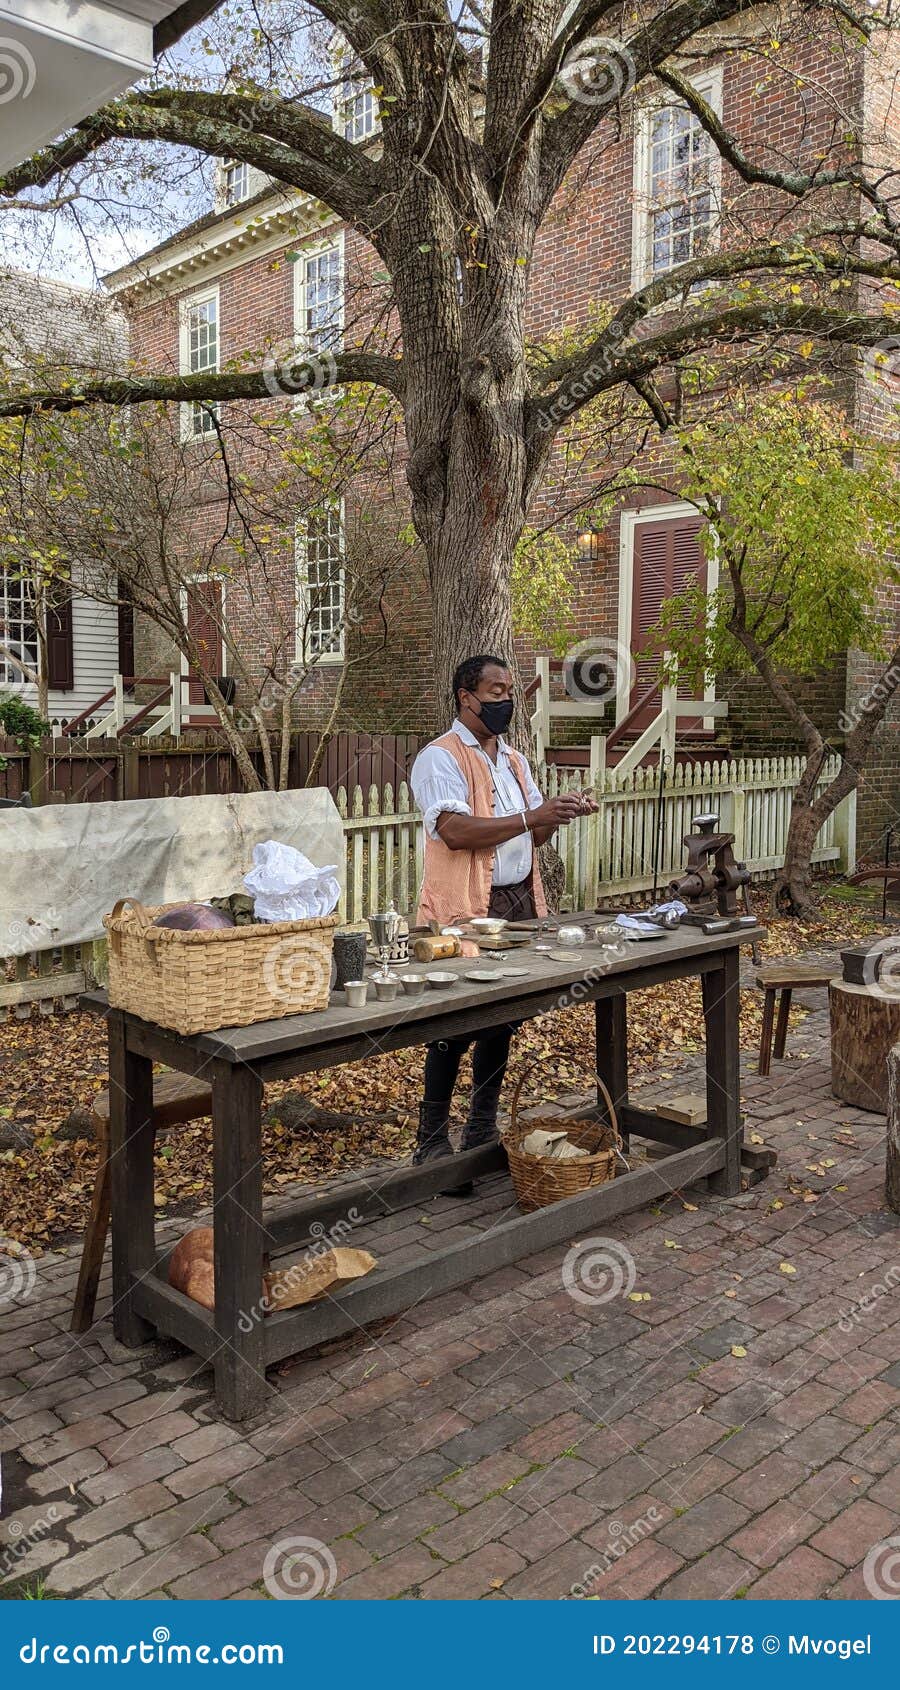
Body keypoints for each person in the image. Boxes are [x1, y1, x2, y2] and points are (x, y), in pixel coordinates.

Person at [409, 653, 598, 1189]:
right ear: (465, 696)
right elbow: (454, 832)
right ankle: (431, 1145)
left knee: (504, 1014)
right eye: (494, 691)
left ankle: (481, 1130)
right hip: (466, 909)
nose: (504, 701)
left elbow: (532, 834)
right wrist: (528, 817)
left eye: (509, 691)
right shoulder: (439, 758)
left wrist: (556, 817)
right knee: (454, 1020)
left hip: (517, 904)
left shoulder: (514, 760)